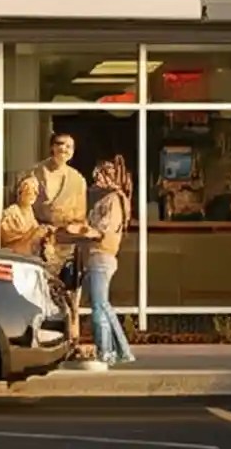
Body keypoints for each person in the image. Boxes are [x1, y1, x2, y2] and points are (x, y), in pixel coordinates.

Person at [84, 157, 137, 366]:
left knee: (99, 306)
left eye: (99, 175)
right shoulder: (109, 199)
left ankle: (106, 351)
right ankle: (122, 351)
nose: (96, 180)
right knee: (103, 305)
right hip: (99, 255)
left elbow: (101, 230)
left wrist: (80, 231)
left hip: (102, 254)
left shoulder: (113, 200)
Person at [29, 133, 89, 275]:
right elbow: (23, 206)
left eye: (69, 146)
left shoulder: (77, 180)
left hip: (65, 244)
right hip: (36, 239)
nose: (64, 149)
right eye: (60, 144)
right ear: (52, 147)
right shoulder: (34, 173)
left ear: (73, 152)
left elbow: (80, 215)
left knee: (62, 289)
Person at [0, 175, 55, 258]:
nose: (34, 194)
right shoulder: (11, 214)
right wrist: (34, 233)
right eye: (29, 190)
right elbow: (12, 246)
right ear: (20, 193)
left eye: (35, 190)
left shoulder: (30, 212)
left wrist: (46, 235)